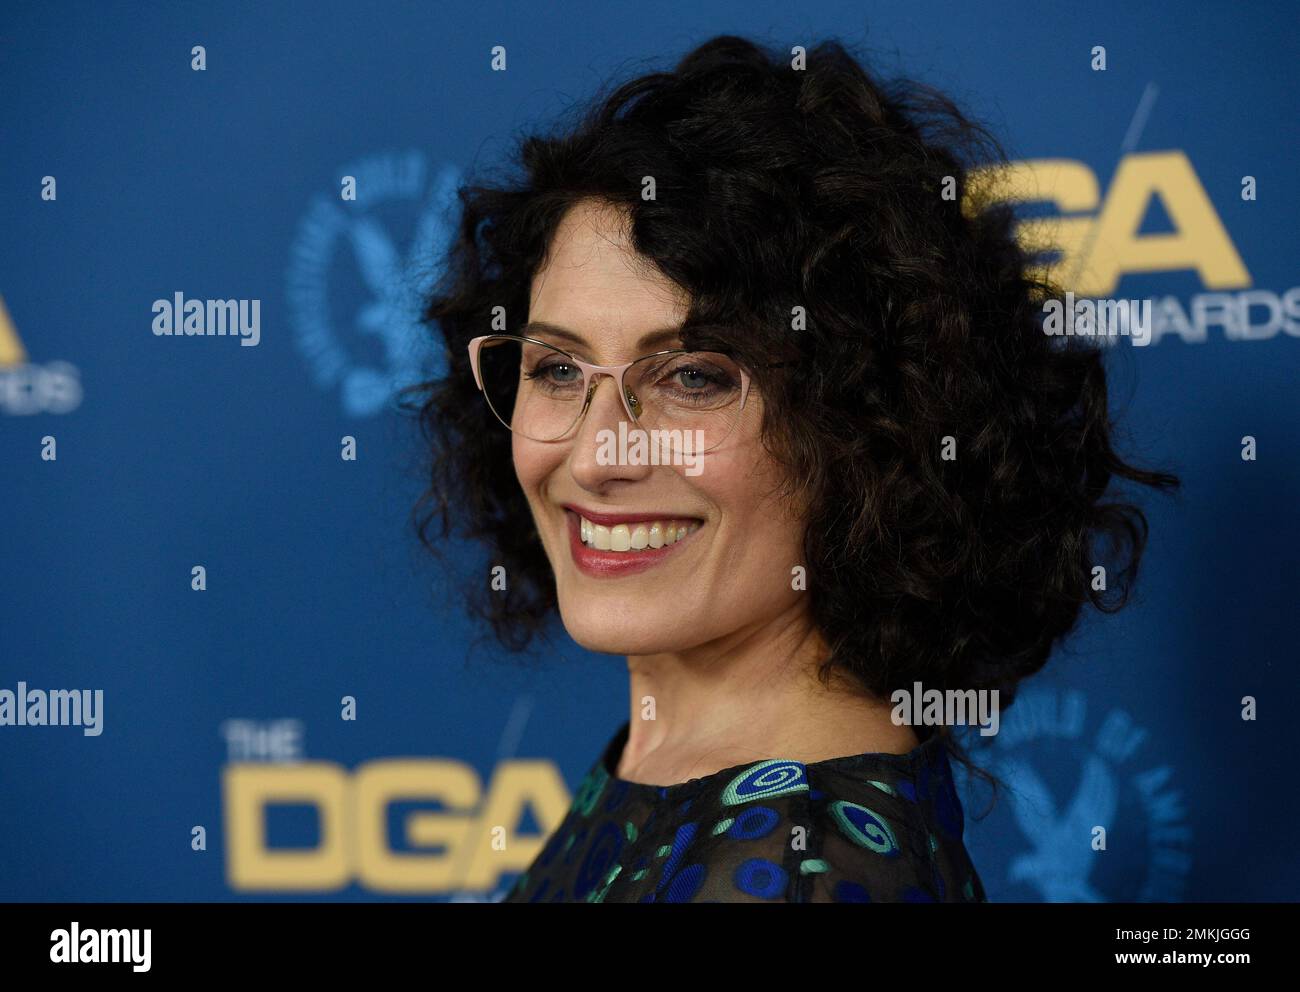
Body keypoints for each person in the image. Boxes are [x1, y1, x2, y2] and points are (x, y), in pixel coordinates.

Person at [412, 35, 1177, 902]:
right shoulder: (681, 766)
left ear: (867, 429)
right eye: (556, 369)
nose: (595, 456)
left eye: (693, 377)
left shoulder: (794, 865)